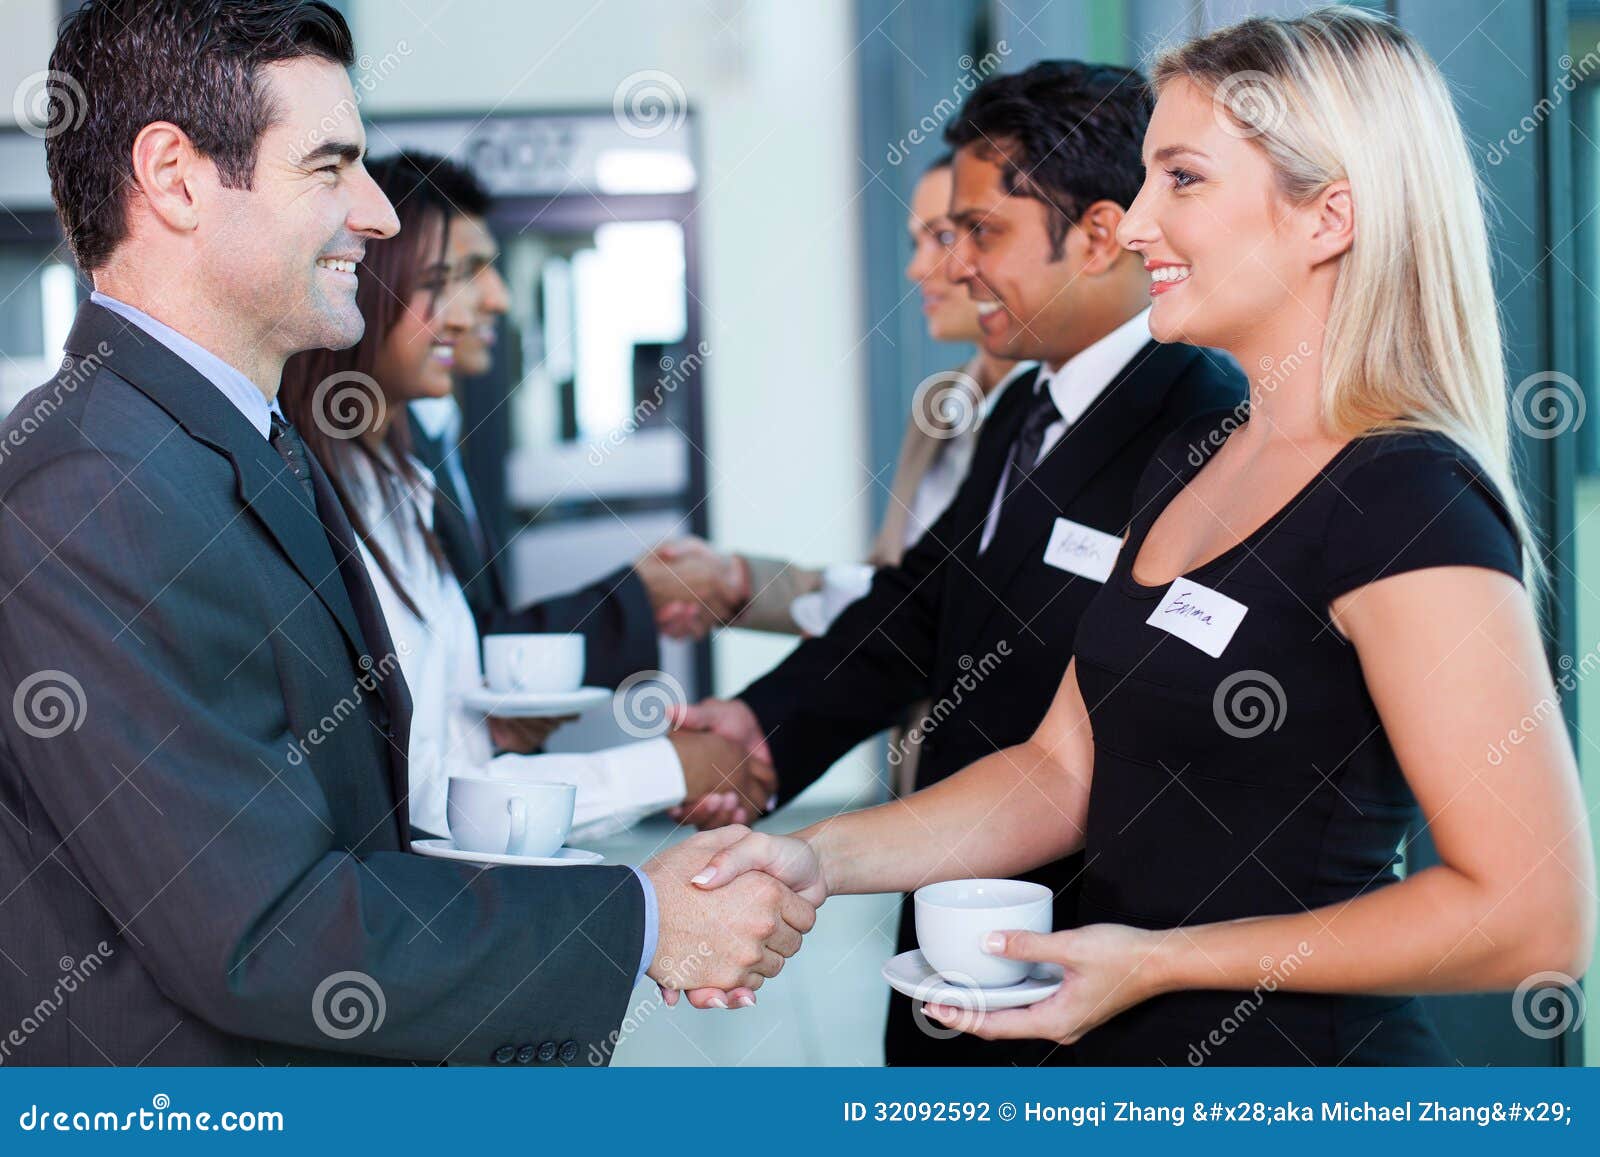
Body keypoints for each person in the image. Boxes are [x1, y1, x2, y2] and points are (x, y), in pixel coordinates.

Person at [679, 8, 1596, 1065]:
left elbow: (1533, 919)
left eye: (1183, 179)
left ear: (1326, 217)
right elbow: (1057, 772)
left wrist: (1163, 958)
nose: (1141, 223)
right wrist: (813, 859)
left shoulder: (1409, 500)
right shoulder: (1193, 458)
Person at [0, 0, 806, 1066]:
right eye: (330, 168)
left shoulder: (231, 441)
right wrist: (645, 920)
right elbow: (264, 931)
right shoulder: (94, 487)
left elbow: (341, 836)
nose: (377, 213)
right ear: (176, 177)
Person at [671, 61, 1246, 1065]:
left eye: (981, 232)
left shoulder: (1201, 423)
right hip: (957, 927)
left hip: (1089, 964)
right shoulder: (1029, 405)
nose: (953, 262)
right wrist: (767, 723)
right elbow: (921, 608)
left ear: (1101, 234)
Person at [280, 151, 776, 842]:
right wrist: (668, 768)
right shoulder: (320, 490)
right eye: (447, 278)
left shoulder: (394, 475)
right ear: (362, 284)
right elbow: (426, 795)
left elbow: (448, 735)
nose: (496, 299)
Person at [664, 153, 1028, 815]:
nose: (923, 267)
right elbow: (904, 596)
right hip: (922, 787)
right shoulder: (940, 410)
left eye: (949, 235)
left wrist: (745, 586)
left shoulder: (1086, 423)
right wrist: (743, 582)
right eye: (919, 240)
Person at [391, 159, 746, 689]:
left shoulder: (438, 424)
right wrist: (640, 598)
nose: (497, 299)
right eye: (460, 274)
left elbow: (476, 635)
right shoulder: (369, 446)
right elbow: (463, 655)